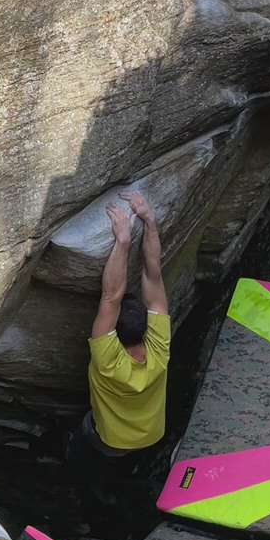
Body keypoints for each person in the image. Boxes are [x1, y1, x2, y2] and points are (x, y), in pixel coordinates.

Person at [68, 190, 171, 472]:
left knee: (83, 445)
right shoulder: (159, 347)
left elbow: (111, 296)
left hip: (110, 441)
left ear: (114, 333)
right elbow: (153, 274)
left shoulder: (108, 361)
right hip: (152, 433)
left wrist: (122, 241)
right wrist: (149, 221)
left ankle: (78, 472)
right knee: (124, 463)